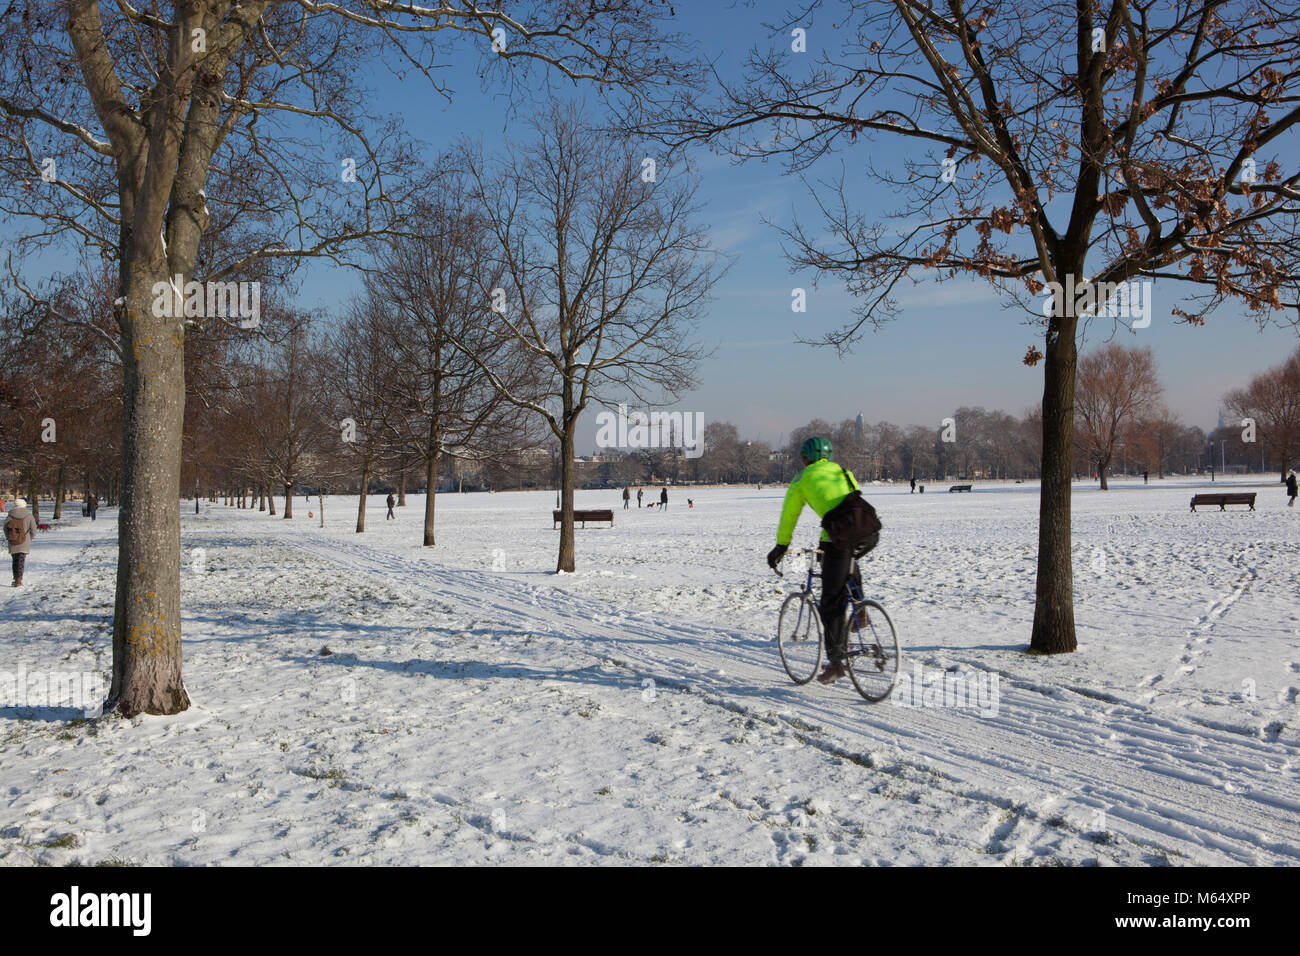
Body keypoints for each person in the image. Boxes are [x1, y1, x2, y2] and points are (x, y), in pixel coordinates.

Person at [766, 437, 865, 685]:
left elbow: (790, 514)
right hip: (866, 531)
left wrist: (781, 546)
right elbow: (847, 503)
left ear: (805, 458)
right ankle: (860, 607)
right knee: (846, 567)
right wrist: (824, 541)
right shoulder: (842, 470)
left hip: (837, 538)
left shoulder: (802, 478)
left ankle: (836, 662)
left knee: (831, 602)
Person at [5, 497, 37, 587]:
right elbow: (33, 529)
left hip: (13, 541)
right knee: (21, 561)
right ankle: (19, 581)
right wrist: (29, 538)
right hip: (24, 541)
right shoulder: (29, 515)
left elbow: (5, 528)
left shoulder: (10, 515)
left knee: (15, 560)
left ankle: (16, 579)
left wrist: (9, 537)